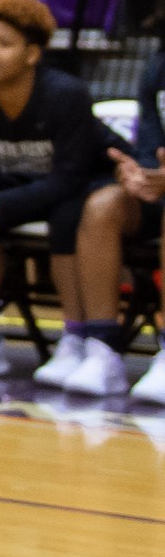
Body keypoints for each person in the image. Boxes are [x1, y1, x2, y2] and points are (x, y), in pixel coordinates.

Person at [0, 0, 143, 396]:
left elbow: (69, 178)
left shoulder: (65, 94)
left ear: (32, 55)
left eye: (3, 45)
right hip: (23, 181)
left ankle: (76, 338)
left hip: (83, 180)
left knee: (66, 212)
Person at [106, 44, 165, 404]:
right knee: (103, 205)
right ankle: (98, 345)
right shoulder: (157, 65)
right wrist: (139, 175)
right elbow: (148, 142)